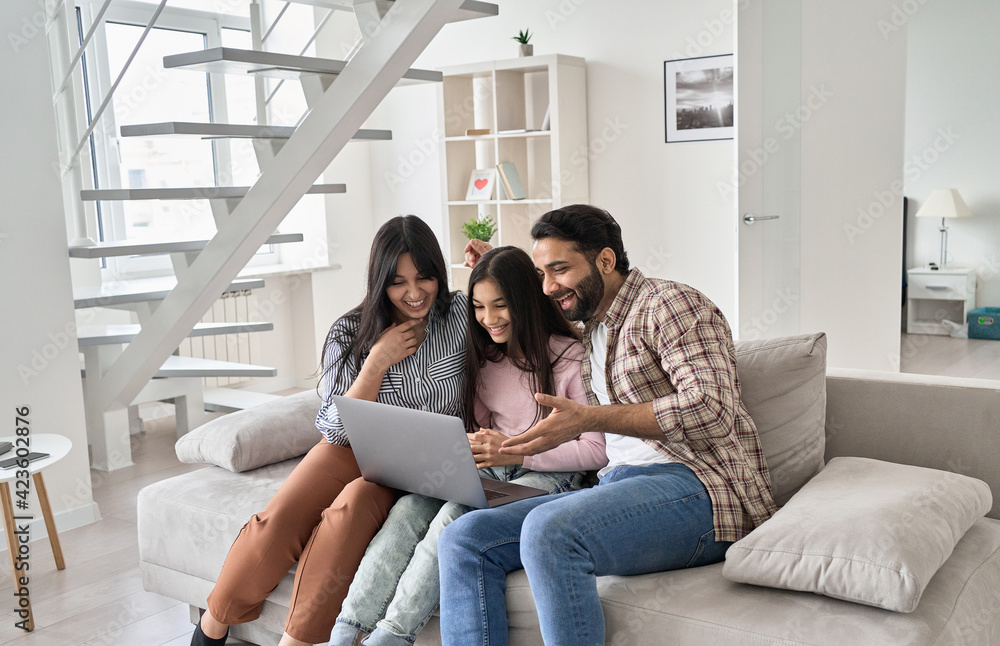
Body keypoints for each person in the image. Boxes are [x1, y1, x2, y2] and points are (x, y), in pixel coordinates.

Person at [438, 204, 778, 646]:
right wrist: (498, 260)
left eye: (559, 270)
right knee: (464, 537)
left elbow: (712, 408)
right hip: (616, 487)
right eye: (541, 273)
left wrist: (590, 418)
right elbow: (520, 303)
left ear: (605, 260)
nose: (548, 286)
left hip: (701, 489)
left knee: (549, 531)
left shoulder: (669, 305)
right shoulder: (590, 324)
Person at [192, 215, 467, 646]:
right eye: (398, 282)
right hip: (350, 449)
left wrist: (495, 264)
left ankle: (297, 641)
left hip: (420, 467)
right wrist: (376, 362)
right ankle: (213, 625)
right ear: (380, 282)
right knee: (279, 518)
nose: (414, 293)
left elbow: (521, 310)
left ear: (439, 274)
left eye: (425, 278)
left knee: (349, 512)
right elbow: (335, 428)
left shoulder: (462, 316)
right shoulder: (350, 331)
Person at [328, 246, 607, 646]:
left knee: (453, 517)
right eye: (478, 307)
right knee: (408, 508)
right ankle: (348, 630)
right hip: (495, 470)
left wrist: (518, 452)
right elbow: (479, 426)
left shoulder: (570, 358)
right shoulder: (488, 357)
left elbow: (597, 450)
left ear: (525, 301)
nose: (488, 319)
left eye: (500, 306)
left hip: (551, 476)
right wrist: (459, 448)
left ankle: (389, 637)